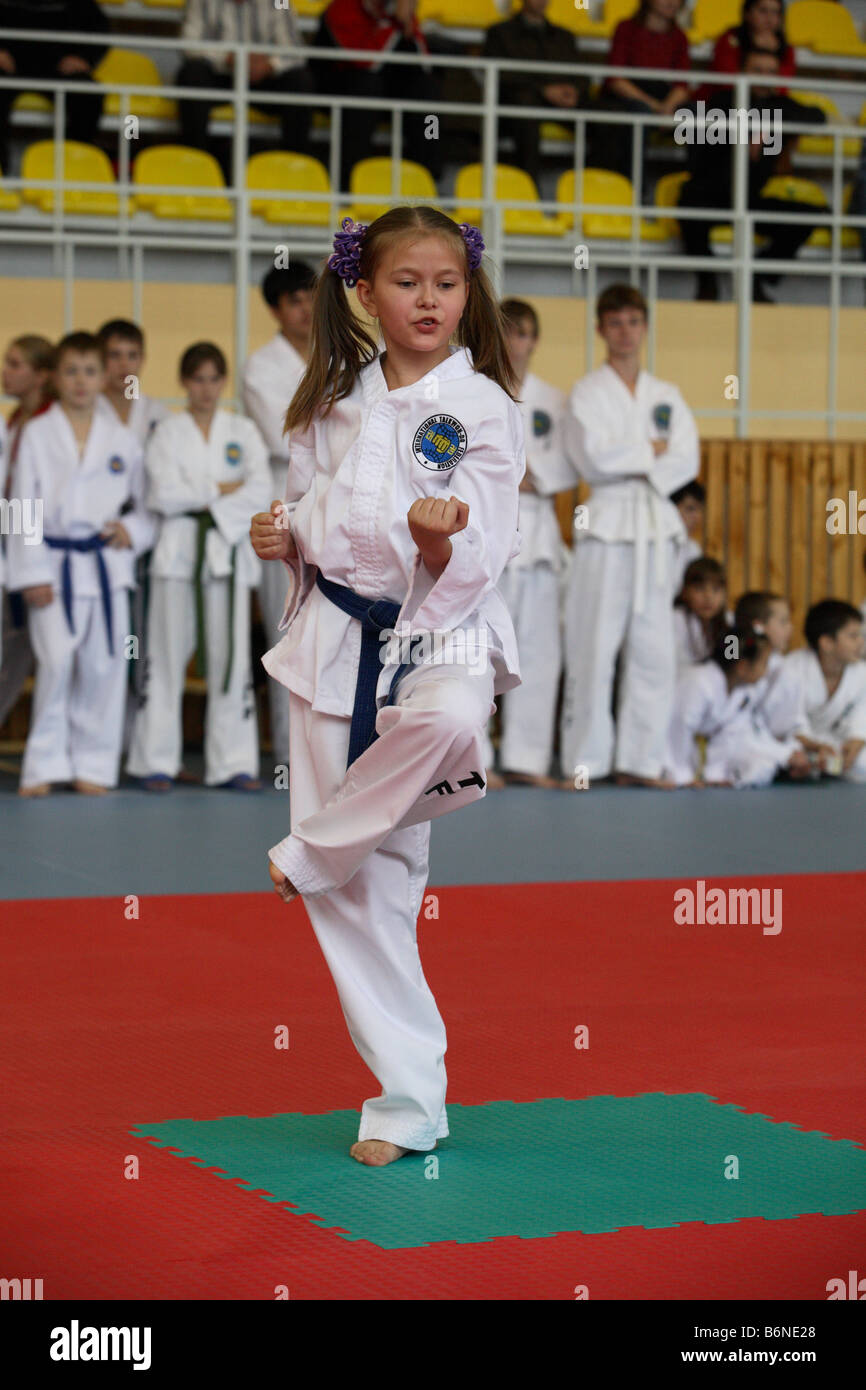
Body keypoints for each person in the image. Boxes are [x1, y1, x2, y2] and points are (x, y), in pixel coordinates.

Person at [249, 206, 523, 1165]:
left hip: (440, 632)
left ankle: (314, 845)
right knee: (373, 897)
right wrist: (280, 534)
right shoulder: (328, 399)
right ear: (364, 292)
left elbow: (488, 546)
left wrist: (440, 543)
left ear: (467, 292)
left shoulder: (483, 407)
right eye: (408, 283)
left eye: (446, 284)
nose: (430, 301)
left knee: (452, 723)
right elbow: (302, 508)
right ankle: (409, 1104)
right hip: (333, 639)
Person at [559, 283, 698, 788]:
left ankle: (641, 760)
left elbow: (687, 458)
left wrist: (636, 453)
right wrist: (649, 450)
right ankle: (586, 762)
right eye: (614, 322)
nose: (624, 331)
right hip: (607, 523)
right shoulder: (587, 392)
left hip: (655, 527)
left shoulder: (667, 395)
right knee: (594, 647)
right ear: (600, 329)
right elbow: (593, 456)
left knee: (655, 651)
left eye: (633, 321)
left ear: (644, 326)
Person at [5, 332, 154, 795]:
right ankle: (43, 766)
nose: (81, 381)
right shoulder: (36, 432)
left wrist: (136, 531)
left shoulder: (121, 438)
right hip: (52, 564)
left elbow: (147, 502)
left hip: (104, 565)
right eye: (71, 371)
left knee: (104, 666)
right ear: (55, 377)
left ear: (103, 376)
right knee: (56, 662)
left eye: (90, 371)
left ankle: (94, 763)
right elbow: (21, 504)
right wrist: (29, 572)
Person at [126, 342, 270, 792]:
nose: (206, 389)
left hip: (224, 554)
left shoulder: (243, 431)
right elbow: (161, 495)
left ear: (222, 382)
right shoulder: (167, 432)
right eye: (197, 379)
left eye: (213, 379)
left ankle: (233, 763)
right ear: (184, 382)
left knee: (233, 662)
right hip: (177, 555)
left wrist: (204, 491)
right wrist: (220, 487)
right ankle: (156, 761)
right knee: (165, 658)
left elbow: (260, 490)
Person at [676, 43, 825, 302]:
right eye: (757, 70)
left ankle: (755, 276)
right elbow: (693, 127)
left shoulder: (780, 105)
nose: (764, 78)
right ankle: (707, 282)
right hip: (712, 193)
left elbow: (817, 116)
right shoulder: (722, 101)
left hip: (750, 198)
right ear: (741, 71)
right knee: (688, 204)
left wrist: (766, 122)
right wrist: (747, 130)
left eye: (771, 72)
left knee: (811, 215)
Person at [497, 297, 575, 786]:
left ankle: (527, 758)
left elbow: (570, 464)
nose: (516, 342)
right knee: (477, 649)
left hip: (541, 533)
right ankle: (473, 756)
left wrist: (527, 475)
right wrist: (510, 477)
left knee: (539, 653)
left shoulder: (554, 400)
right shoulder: (472, 390)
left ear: (535, 340)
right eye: (508, 332)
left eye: (524, 333)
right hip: (488, 531)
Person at [242, 261, 316, 769]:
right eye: (294, 300)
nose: (306, 308)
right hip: (284, 507)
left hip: (338, 505)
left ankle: (332, 750)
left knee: (333, 630)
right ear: (274, 309)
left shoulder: (346, 357)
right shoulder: (262, 367)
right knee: (286, 631)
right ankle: (290, 755)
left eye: (311, 296)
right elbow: (284, 437)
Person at [311, 0, 442, 189]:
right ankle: (348, 182)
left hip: (385, 92)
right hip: (340, 90)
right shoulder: (342, 8)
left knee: (428, 89)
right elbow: (365, 62)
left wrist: (406, 24)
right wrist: (396, 24)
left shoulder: (397, 10)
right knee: (366, 86)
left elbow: (424, 64)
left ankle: (429, 178)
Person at [176, 0, 313, 163]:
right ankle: (194, 163)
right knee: (192, 74)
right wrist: (229, 58)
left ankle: (293, 167)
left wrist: (269, 65)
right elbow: (189, 44)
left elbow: (294, 47)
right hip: (221, 75)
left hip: (265, 78)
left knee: (301, 81)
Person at [664, 623, 797, 787]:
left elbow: (728, 736)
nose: (767, 671)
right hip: (664, 745)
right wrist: (681, 775)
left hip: (695, 751)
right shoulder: (699, 682)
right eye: (763, 664)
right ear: (742, 667)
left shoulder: (741, 692)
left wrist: (714, 775)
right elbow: (679, 727)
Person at [0, 335, 55, 729]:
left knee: (37, 654)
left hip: (44, 555)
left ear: (41, 375)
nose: (6, 371)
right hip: (11, 545)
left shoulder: (51, 425)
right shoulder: (14, 420)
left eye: (16, 364)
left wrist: (28, 562)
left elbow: (35, 502)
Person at [481, 0, 588, 187]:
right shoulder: (500, 33)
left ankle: (602, 189)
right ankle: (529, 189)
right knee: (526, 107)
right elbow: (504, 78)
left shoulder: (565, 36)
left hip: (563, 102)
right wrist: (543, 90)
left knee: (609, 113)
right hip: (521, 104)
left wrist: (574, 90)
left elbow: (581, 74)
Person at [756, 599, 866, 780]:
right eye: (853, 636)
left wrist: (856, 740)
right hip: (799, 744)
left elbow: (861, 716)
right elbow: (787, 724)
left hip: (834, 744)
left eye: (860, 635)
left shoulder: (861, 672)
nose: (861, 642)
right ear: (827, 643)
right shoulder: (792, 669)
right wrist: (814, 746)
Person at [0, 0, 109, 171]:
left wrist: (84, 58)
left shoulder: (81, 4)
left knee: (88, 94)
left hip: (58, 68)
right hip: (8, 65)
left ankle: (74, 168)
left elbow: (100, 30)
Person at [592, 0, 691, 184]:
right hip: (628, 98)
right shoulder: (626, 29)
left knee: (695, 113)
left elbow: (682, 85)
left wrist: (667, 108)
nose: (672, 2)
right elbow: (617, 80)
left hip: (663, 99)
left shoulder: (679, 37)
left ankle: (695, 187)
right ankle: (634, 189)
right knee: (639, 113)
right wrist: (655, 107)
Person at [96, 319, 169, 447]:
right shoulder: (88, 410)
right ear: (99, 359)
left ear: (142, 359)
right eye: (114, 355)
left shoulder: (157, 413)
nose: (124, 364)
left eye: (132, 356)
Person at [674, 555, 728, 669]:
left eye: (716, 589)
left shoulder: (730, 622)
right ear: (684, 592)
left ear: (724, 595)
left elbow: (733, 664)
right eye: (699, 589)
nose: (708, 597)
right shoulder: (676, 619)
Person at [671, 478, 704, 585]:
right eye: (690, 509)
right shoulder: (651, 544)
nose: (697, 517)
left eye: (700, 510)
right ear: (670, 508)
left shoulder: (693, 549)